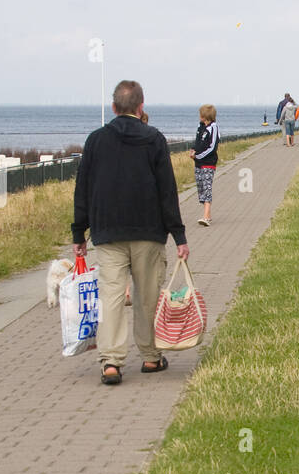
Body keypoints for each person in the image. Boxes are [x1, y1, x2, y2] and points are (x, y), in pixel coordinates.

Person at [72, 79, 189, 387]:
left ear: (113, 108)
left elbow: (82, 188)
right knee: (147, 296)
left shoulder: (95, 141)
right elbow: (168, 191)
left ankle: (111, 362)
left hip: (107, 231)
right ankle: (151, 356)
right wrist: (179, 236)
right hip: (148, 231)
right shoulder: (154, 139)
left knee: (111, 296)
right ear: (141, 106)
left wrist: (78, 233)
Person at [189, 104, 219, 226]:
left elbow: (212, 146)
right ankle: (208, 214)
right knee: (201, 188)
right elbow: (197, 142)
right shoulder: (200, 127)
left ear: (205, 115)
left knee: (207, 187)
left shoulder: (213, 127)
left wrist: (199, 156)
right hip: (198, 163)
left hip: (208, 163)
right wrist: (193, 150)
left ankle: (205, 217)